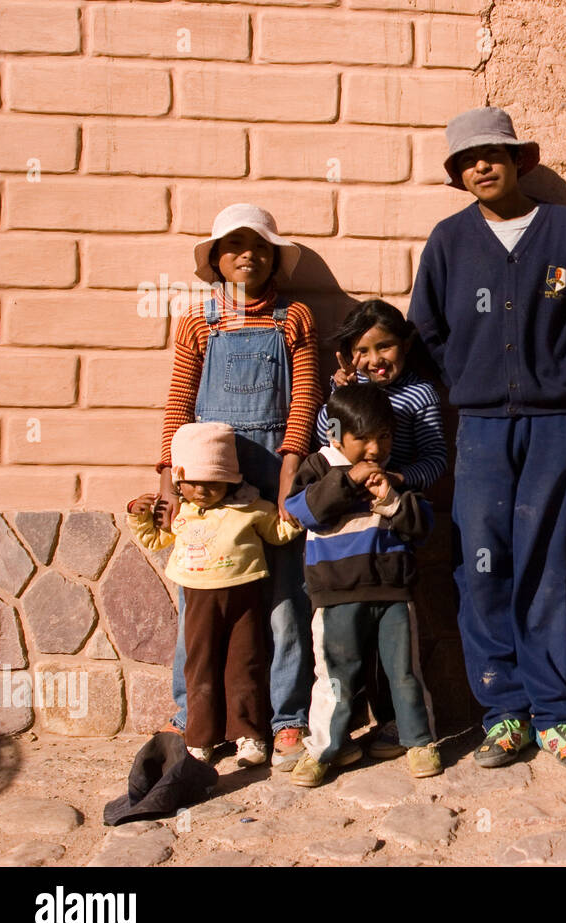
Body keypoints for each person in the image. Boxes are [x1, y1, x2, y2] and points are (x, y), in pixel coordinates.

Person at [407, 106, 566, 770]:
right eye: (467, 160)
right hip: (483, 429)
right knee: (483, 565)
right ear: (459, 175)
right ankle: (504, 713)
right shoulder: (449, 241)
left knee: (549, 567)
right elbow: (426, 330)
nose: (481, 166)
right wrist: (467, 382)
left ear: (520, 159)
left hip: (554, 426)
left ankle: (555, 716)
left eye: (492, 153)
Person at [155, 203, 320, 771]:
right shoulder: (198, 321)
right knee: (197, 598)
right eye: (234, 245)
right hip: (206, 476)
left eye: (259, 245)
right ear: (216, 260)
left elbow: (305, 397)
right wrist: (169, 474)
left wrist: (290, 468)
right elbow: (180, 399)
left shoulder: (295, 316)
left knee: (284, 599)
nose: (247, 254)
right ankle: (192, 716)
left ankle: (286, 721)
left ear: (274, 257)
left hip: (276, 469)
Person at [285, 384, 441, 786]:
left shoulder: (393, 477)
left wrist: (391, 499)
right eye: (363, 439)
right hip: (336, 595)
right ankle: (324, 749)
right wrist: (347, 480)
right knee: (335, 676)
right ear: (336, 435)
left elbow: (422, 527)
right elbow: (300, 510)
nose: (374, 449)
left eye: (383, 437)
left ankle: (420, 741)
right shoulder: (318, 468)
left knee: (404, 672)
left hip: (392, 593)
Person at [313, 299, 448, 760]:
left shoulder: (421, 395)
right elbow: (323, 442)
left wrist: (397, 482)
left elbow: (436, 459)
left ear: (405, 344)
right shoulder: (345, 393)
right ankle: (344, 732)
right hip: (347, 539)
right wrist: (338, 393)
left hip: (394, 526)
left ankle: (400, 728)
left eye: (384, 346)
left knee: (397, 640)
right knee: (348, 644)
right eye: (362, 350)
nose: (374, 360)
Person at [128, 422, 302, 765]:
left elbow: (279, 532)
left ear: (231, 478)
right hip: (199, 605)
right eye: (194, 482)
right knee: (200, 668)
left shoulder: (251, 507)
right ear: (179, 480)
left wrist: (299, 511)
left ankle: (250, 736)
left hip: (244, 603)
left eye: (213, 482)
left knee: (245, 664)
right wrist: (140, 515)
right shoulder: (180, 516)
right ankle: (200, 738)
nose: (203, 490)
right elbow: (154, 540)